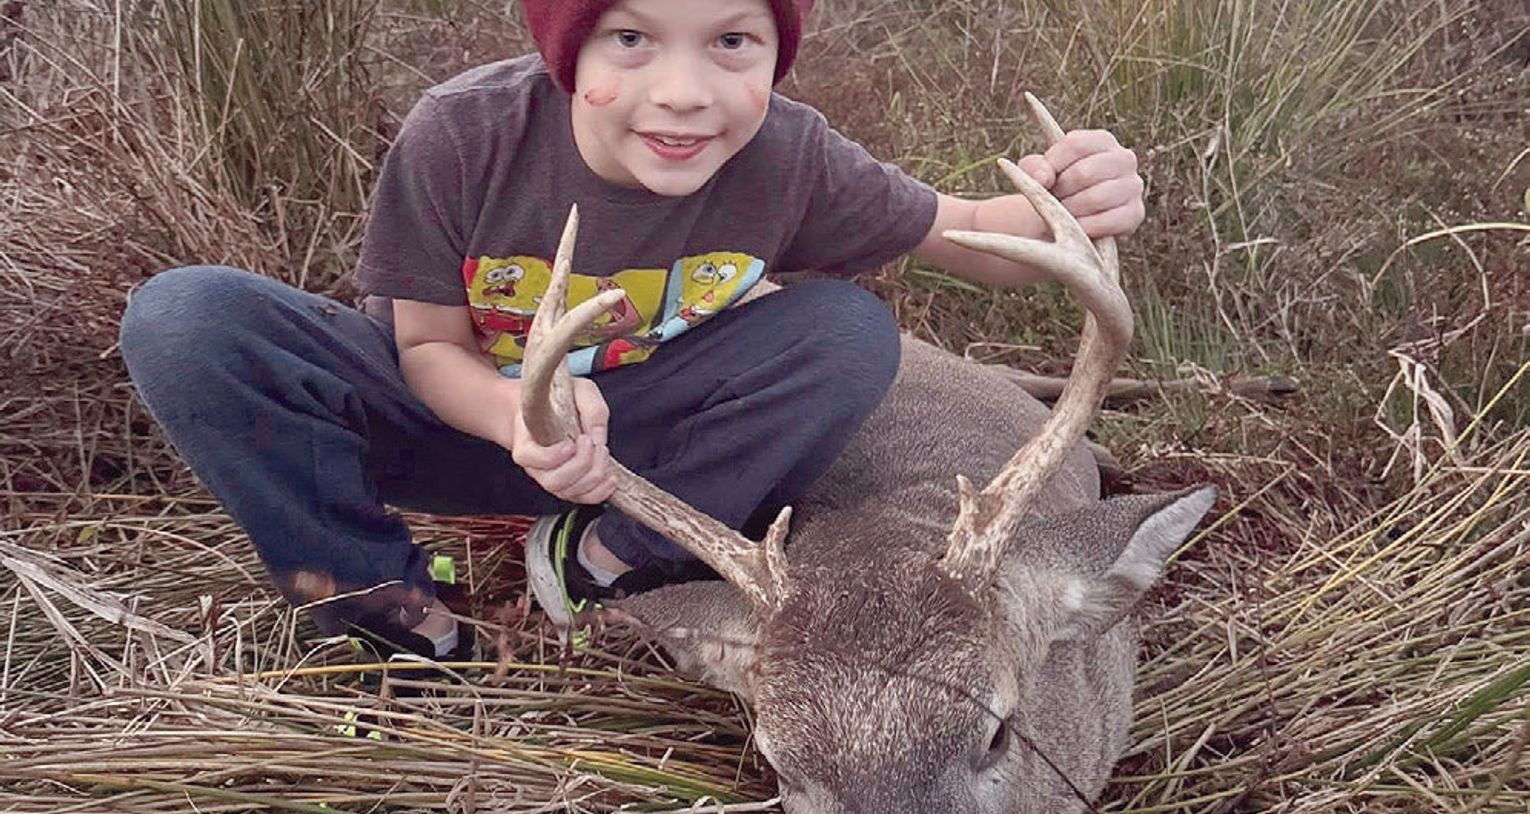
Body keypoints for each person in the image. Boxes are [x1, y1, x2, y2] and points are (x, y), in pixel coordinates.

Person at [118, 0, 1146, 660]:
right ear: (568, 50)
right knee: (187, 318)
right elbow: (426, 345)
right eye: (631, 39)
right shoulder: (465, 134)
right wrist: (519, 418)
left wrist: (1071, 199)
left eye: (732, 42)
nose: (687, 93)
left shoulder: (786, 158)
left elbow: (972, 234)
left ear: (775, 52)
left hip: (645, 450)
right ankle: (386, 610)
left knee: (844, 331)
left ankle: (603, 558)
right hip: (453, 418)